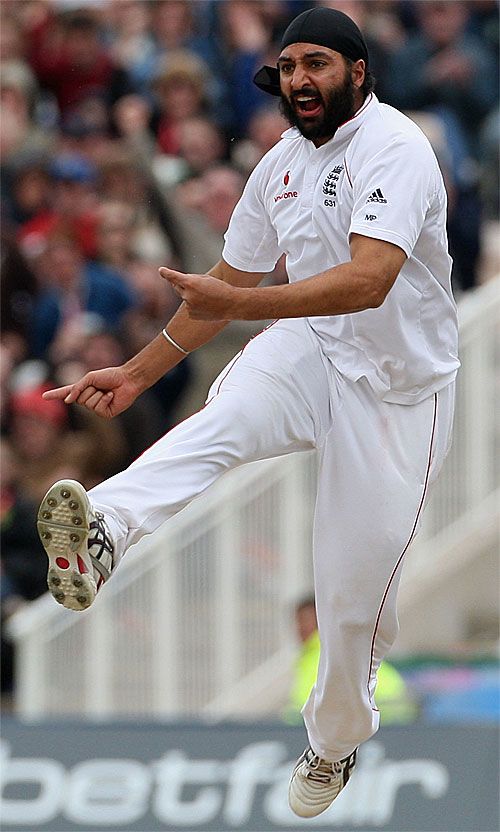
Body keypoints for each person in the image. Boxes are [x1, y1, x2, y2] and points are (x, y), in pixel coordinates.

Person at [36, 7, 459, 820]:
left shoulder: (396, 148)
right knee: (219, 420)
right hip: (313, 352)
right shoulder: (280, 167)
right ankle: (104, 530)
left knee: (348, 605)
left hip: (402, 396)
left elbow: (368, 280)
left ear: (357, 72)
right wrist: (136, 370)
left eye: (316, 66)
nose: (298, 80)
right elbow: (221, 287)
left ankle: (334, 745)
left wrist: (246, 301)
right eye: (287, 68)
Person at [284, 595, 418, 726]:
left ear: (322, 619)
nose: (299, 627)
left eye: (305, 620)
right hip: (391, 719)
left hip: (379, 721)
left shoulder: (322, 656)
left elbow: (305, 709)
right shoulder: (337, 649)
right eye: (298, 621)